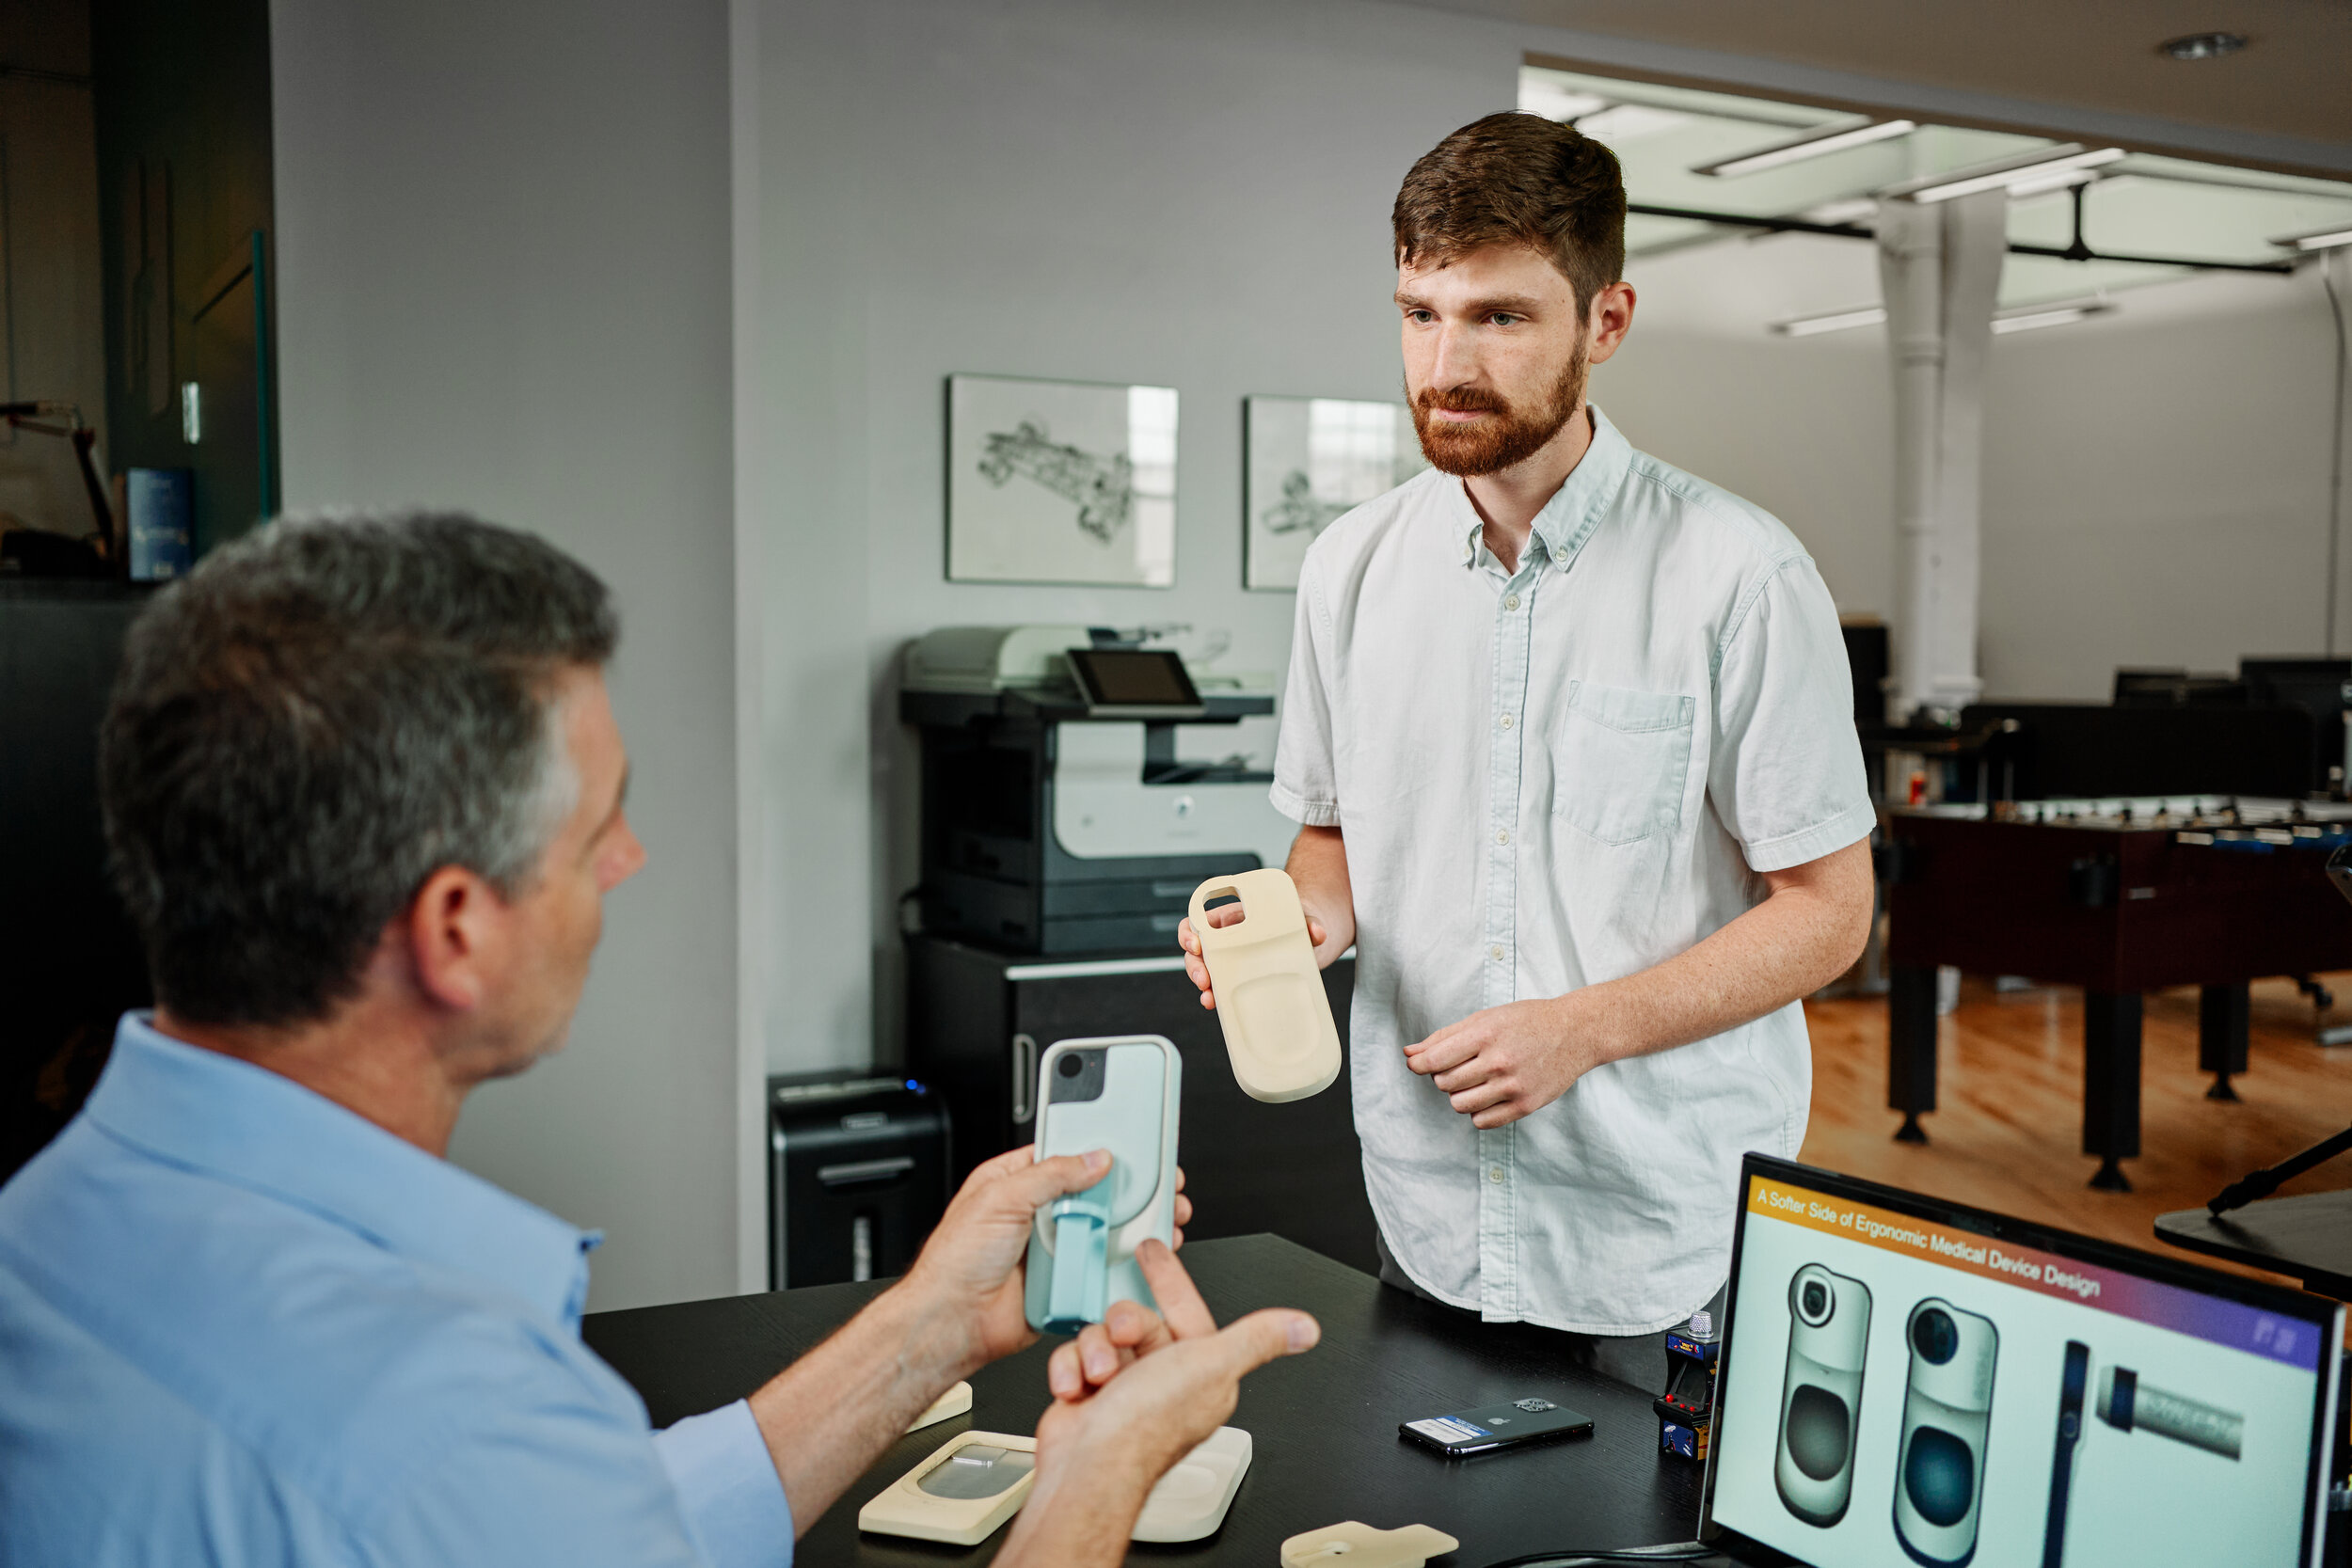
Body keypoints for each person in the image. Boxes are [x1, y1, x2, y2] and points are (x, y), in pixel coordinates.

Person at [0, 512, 1317, 1567]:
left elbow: (580, 1529)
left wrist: (927, 1326)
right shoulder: (439, 1417)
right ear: (455, 930)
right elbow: (481, 1490)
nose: (629, 862)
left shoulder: (47, 1225)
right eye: (596, 833)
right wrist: (1090, 1489)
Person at [1180, 112, 1874, 1377]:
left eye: (1499, 317)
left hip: (1658, 1236)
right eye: (1420, 312)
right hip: (1427, 1208)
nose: (1446, 361)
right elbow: (1331, 840)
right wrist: (1292, 926)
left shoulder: (1741, 576)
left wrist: (1584, 1028)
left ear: (1604, 323)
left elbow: (1828, 915)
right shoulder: (1350, 570)